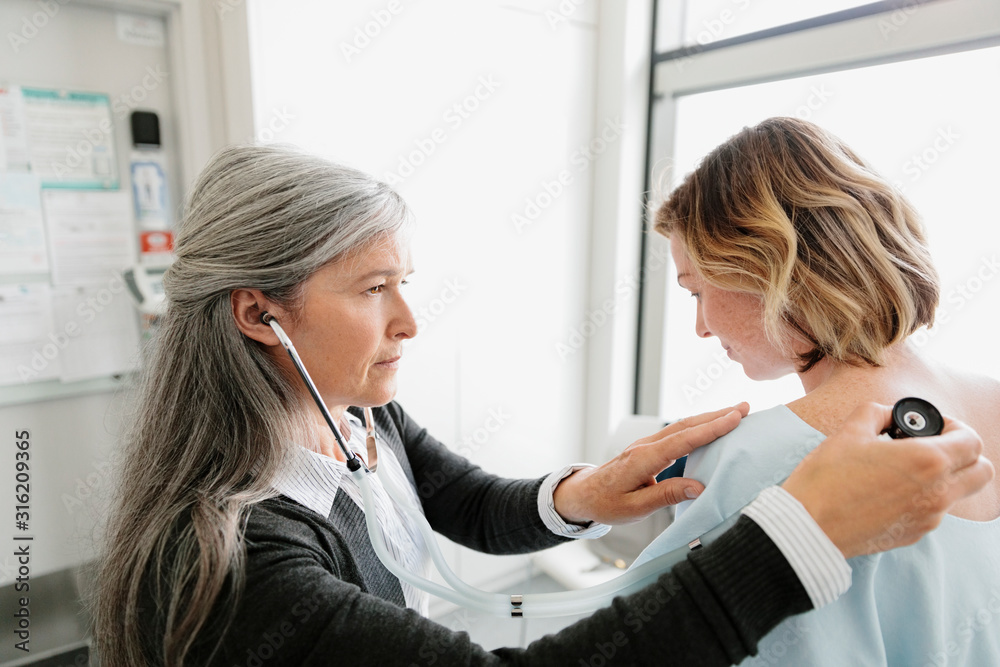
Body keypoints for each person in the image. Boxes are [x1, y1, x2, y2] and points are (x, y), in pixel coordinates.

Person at [90, 144, 993, 667]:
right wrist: (806, 527)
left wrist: (585, 496)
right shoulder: (227, 553)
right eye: (372, 290)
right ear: (259, 313)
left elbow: (471, 503)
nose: (409, 320)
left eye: (404, 281)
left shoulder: (357, 417)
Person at [636, 116, 1000, 665]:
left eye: (697, 291)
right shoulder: (993, 399)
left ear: (767, 269)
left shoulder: (750, 460)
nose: (702, 328)